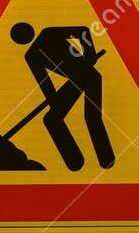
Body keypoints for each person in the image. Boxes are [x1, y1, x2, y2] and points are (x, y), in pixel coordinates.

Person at [10, 21, 115, 172]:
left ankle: (106, 160)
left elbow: (83, 31)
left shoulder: (48, 34)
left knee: (91, 116)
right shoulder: (31, 55)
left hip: (89, 76)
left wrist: (89, 53)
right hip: (76, 80)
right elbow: (45, 84)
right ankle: (76, 162)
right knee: (52, 119)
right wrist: (53, 100)